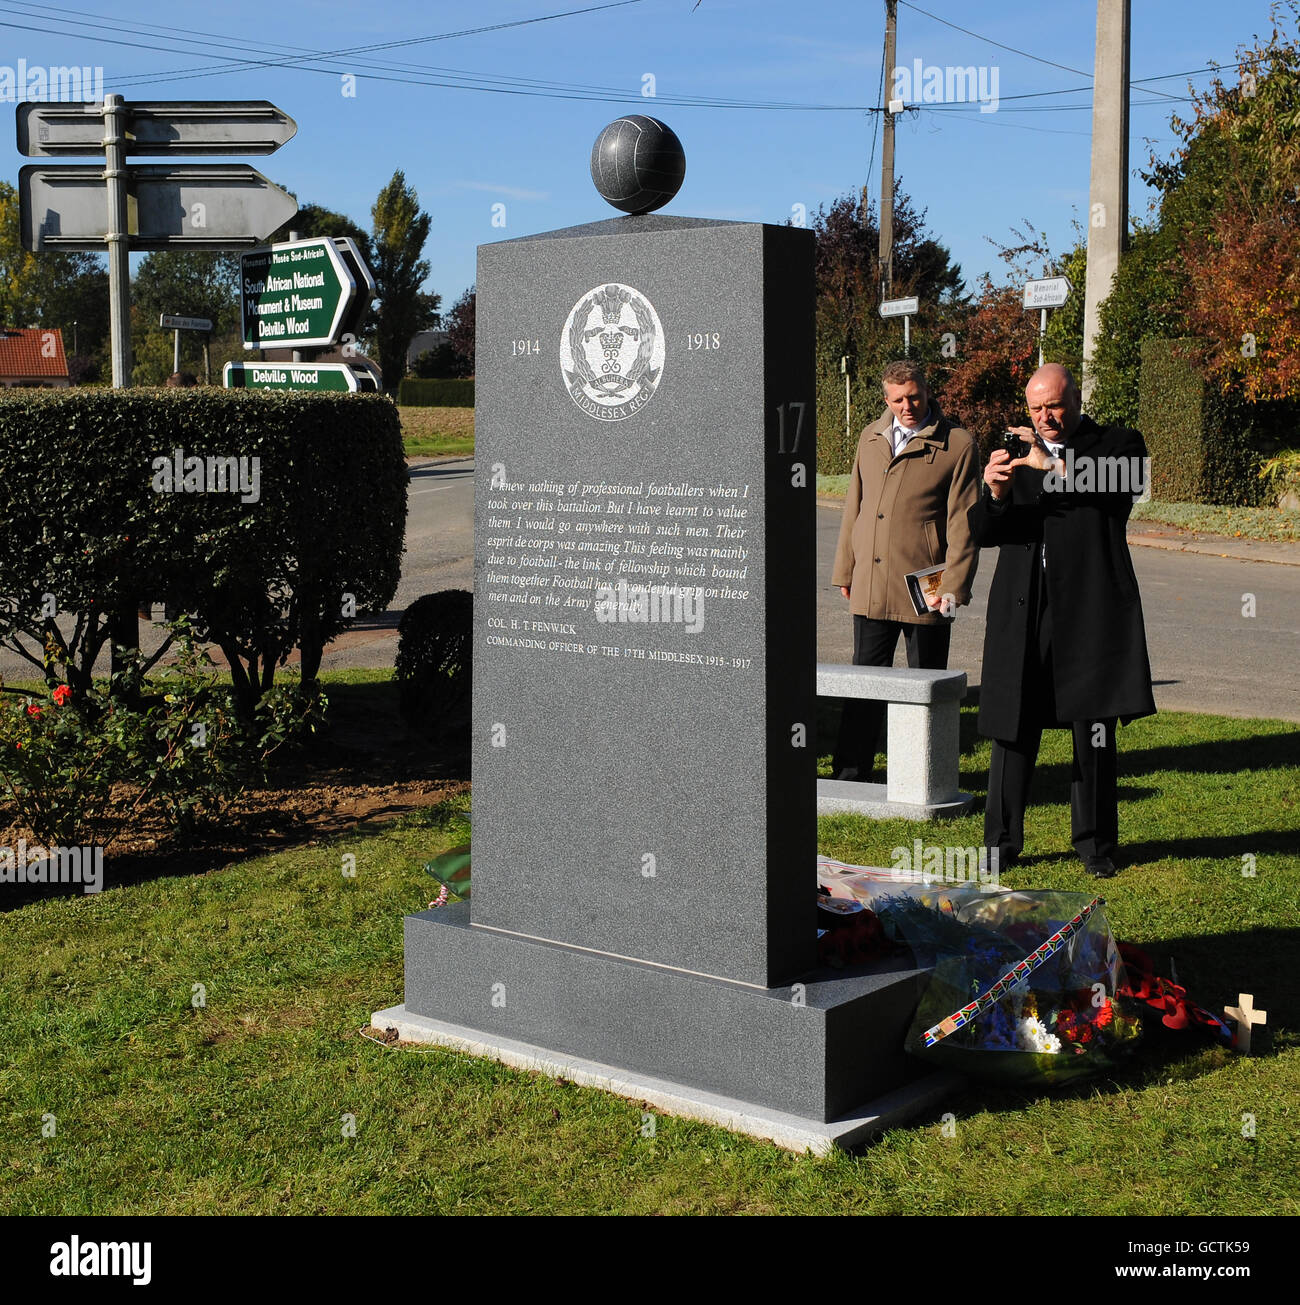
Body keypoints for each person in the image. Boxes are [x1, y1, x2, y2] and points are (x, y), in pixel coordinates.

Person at [969, 363, 1156, 878]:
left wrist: (1047, 462)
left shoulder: (1116, 443)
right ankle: (1000, 843)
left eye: (1054, 405)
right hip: (1025, 604)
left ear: (1076, 399)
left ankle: (1096, 845)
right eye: (1036, 408)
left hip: (1089, 606)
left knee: (1092, 725)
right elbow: (984, 531)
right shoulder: (1013, 448)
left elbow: (1123, 490)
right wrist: (996, 493)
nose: (1045, 417)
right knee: (1014, 723)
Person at [830, 360, 982, 780]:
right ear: (886, 400)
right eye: (897, 399)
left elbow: (963, 523)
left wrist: (954, 586)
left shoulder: (958, 444)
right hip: (871, 584)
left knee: (926, 688)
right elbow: (853, 506)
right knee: (863, 685)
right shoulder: (871, 437)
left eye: (913, 396)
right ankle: (850, 773)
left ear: (927, 392)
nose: (907, 406)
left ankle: (923, 776)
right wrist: (847, 570)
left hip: (928, 591)